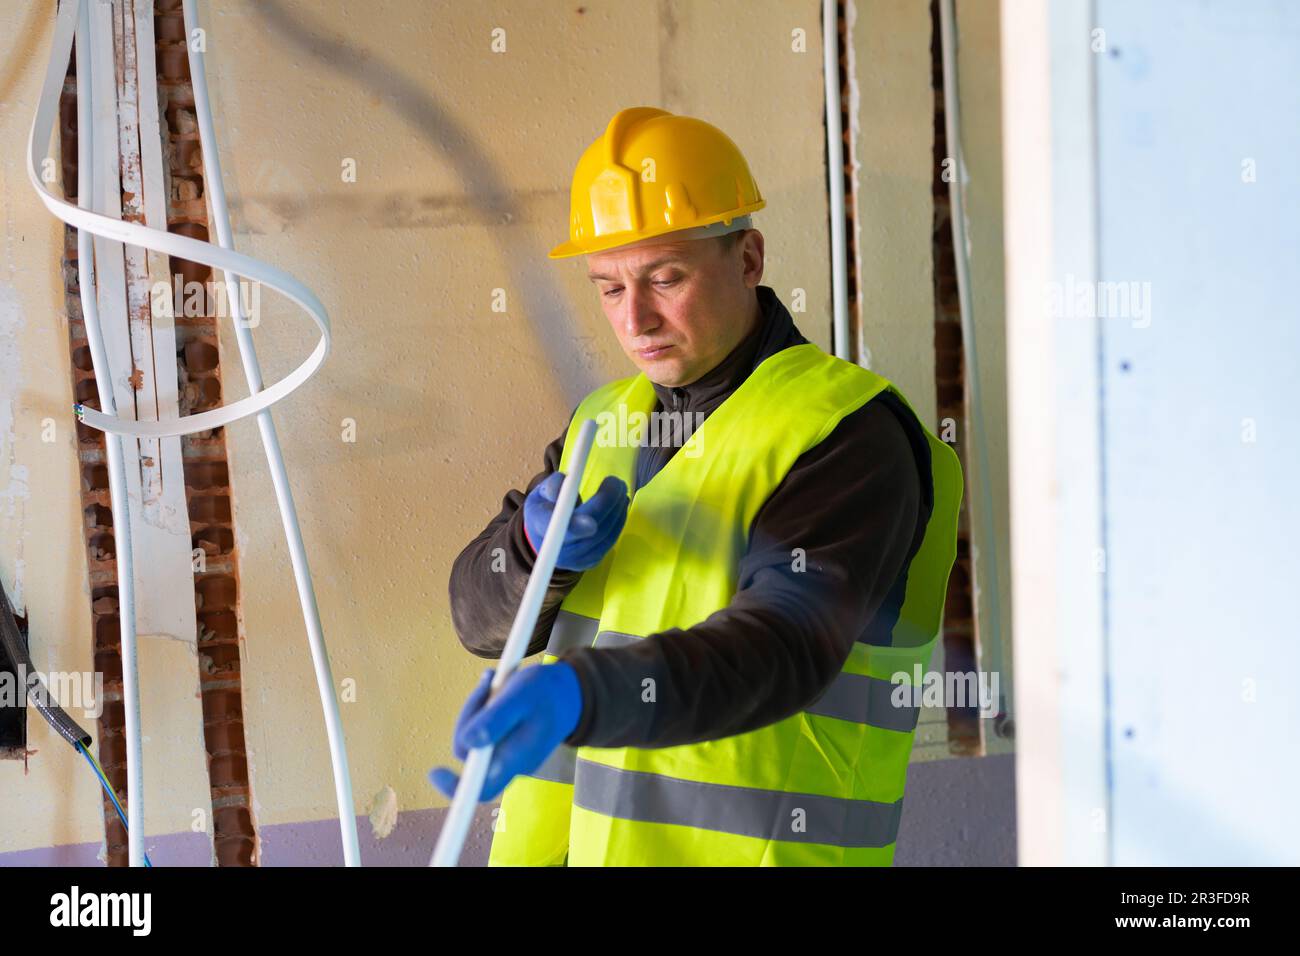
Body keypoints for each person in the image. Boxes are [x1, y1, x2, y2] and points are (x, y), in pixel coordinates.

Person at [431, 107, 963, 866]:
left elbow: (782, 649)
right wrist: (529, 549)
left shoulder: (844, 433)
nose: (636, 319)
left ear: (748, 258)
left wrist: (579, 695)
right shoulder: (601, 424)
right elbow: (479, 624)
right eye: (609, 288)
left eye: (665, 278)